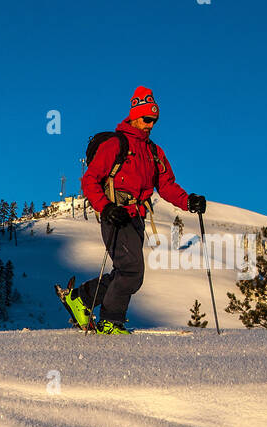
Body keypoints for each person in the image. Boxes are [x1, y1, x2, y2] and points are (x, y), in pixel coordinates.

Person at [60, 87, 206, 334]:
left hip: (137, 218)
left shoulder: (154, 152)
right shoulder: (116, 144)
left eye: (154, 121)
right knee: (131, 271)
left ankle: (81, 299)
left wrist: (189, 202)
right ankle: (110, 321)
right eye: (147, 119)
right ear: (135, 116)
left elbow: (167, 186)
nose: (150, 125)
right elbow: (90, 180)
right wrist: (105, 208)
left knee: (126, 272)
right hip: (116, 216)